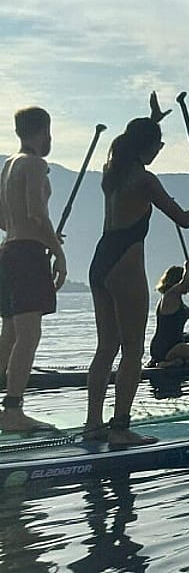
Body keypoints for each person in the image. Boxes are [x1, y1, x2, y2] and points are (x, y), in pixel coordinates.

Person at [83, 94, 189, 447]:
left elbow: (135, 139)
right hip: (126, 265)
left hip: (100, 262)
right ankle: (120, 429)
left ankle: (93, 424)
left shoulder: (110, 175)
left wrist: (152, 120)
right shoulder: (145, 180)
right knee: (132, 351)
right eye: (158, 144)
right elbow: (185, 220)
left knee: (105, 348)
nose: (160, 149)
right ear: (148, 148)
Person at [0, 107, 67, 433]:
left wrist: (46, 235)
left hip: (9, 250)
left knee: (10, 334)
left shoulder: (8, 165)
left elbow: (6, 218)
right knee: (29, 335)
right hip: (27, 255)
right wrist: (58, 251)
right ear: (45, 130)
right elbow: (36, 212)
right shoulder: (36, 163)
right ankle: (13, 412)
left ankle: (5, 407)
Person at [147, 260, 189, 368]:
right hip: (168, 346)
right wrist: (187, 266)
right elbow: (186, 282)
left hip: (173, 345)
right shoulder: (170, 295)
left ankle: (174, 363)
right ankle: (166, 363)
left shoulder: (176, 299)